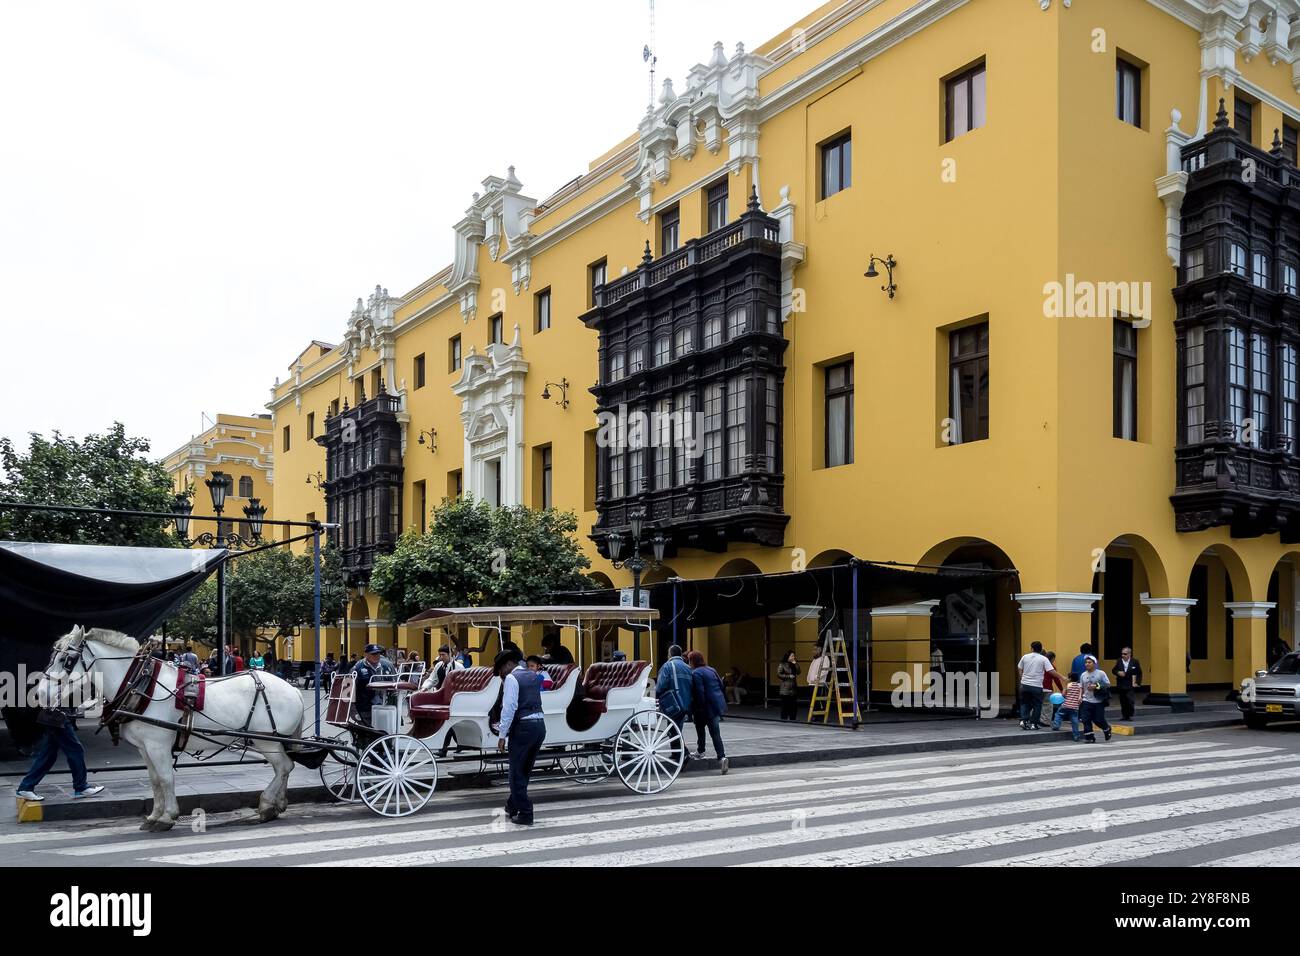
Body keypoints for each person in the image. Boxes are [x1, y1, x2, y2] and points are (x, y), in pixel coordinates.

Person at [15, 703, 105, 802]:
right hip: (58, 718)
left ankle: (26, 787)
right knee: (75, 750)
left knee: (48, 755)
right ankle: (81, 787)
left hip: (54, 717)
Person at [497, 657, 546, 825]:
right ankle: (512, 805)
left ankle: (526, 812)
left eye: (501, 670)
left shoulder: (512, 678)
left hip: (523, 727)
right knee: (525, 770)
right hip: (539, 726)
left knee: (516, 772)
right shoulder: (533, 675)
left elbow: (509, 707)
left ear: (508, 665)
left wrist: (502, 734)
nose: (501, 675)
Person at [687, 650, 729, 774]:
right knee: (716, 733)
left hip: (704, 707)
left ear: (693, 661)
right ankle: (722, 757)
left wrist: (698, 707)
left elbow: (699, 692)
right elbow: (721, 686)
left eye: (689, 661)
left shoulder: (696, 673)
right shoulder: (712, 670)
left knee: (700, 729)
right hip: (715, 707)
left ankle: (701, 751)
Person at [1016, 641, 1055, 731]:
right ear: (1041, 649)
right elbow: (1051, 671)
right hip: (1037, 686)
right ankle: (1034, 723)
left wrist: (1022, 678)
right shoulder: (1043, 659)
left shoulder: (1025, 657)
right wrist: (1062, 677)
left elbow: (1019, 668)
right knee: (1037, 705)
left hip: (1025, 685)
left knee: (1025, 703)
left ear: (1032, 648)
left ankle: (1023, 721)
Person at [655, 645, 694, 732]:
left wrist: (655, 695)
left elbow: (661, 685)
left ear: (670, 654)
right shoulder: (688, 668)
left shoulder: (667, 666)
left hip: (673, 701)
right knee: (678, 725)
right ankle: (679, 743)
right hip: (686, 702)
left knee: (673, 727)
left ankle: (678, 744)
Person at [1079, 655, 1113, 743]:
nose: (1087, 664)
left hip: (1098, 700)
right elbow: (1081, 687)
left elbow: (1107, 684)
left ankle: (1107, 729)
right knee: (1085, 719)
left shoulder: (1101, 673)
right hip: (1086, 700)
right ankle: (1090, 737)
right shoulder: (1083, 674)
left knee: (1098, 719)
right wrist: (1080, 697)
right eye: (1086, 662)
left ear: (1094, 663)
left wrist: (1096, 686)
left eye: (1089, 662)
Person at [351, 644, 387, 725]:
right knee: (366, 735)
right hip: (364, 709)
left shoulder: (384, 667)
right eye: (373, 654)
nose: (377, 656)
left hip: (380, 707)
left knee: (380, 733)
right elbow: (349, 691)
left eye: (378, 653)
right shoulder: (357, 668)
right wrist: (353, 711)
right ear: (366, 655)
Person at [1111, 646, 1143, 721]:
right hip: (1121, 683)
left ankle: (1130, 714)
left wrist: (1138, 682)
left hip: (1130, 683)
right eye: (1122, 654)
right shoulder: (1119, 661)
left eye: (1125, 654)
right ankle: (1125, 716)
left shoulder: (1135, 661)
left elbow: (1139, 673)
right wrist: (1118, 672)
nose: (1123, 655)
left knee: (1130, 699)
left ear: (1129, 654)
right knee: (1123, 700)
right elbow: (1114, 670)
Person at [1051, 672, 1084, 741]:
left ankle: (1056, 726)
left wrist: (1065, 694)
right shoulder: (1080, 686)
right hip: (1075, 707)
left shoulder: (1068, 685)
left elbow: (1063, 694)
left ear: (1070, 679)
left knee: (1059, 714)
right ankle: (1076, 736)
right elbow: (1081, 695)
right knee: (1074, 721)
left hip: (1066, 705)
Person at [1042, 651, 1064, 724]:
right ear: (1052, 659)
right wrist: (1062, 689)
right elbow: (1056, 679)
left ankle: (1035, 719)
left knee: (1038, 704)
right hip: (1047, 688)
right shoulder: (1051, 667)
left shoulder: (1040, 665)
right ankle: (1045, 721)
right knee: (1048, 705)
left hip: (1038, 687)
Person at [777, 650, 800, 721]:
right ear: (788, 656)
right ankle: (784, 719)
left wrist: (795, 663)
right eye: (792, 656)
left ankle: (793, 718)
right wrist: (788, 676)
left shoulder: (794, 663)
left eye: (794, 656)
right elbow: (779, 674)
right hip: (785, 688)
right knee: (785, 705)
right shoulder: (782, 664)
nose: (793, 657)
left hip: (793, 687)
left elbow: (799, 672)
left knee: (793, 705)